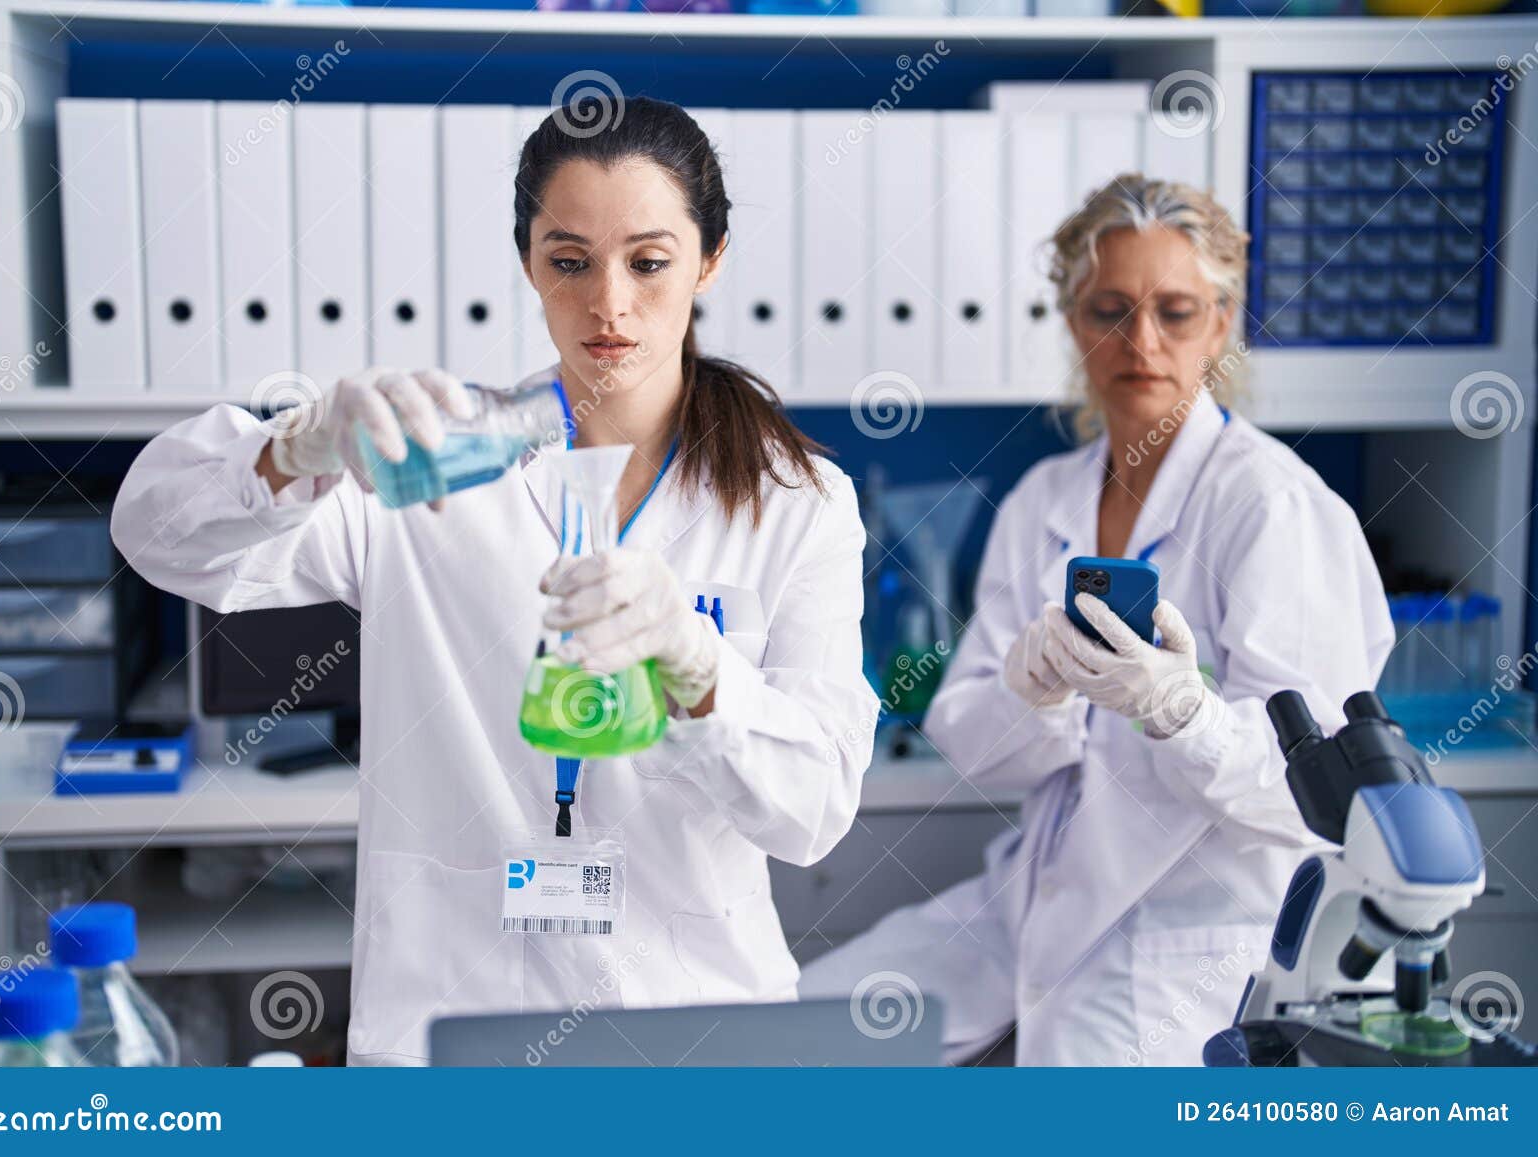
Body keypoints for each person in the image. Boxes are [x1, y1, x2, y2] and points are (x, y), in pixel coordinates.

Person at [112, 97, 877, 1065]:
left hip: (693, 1027)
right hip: (446, 1027)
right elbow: (160, 535)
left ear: (708, 260)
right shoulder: (431, 460)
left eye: (648, 261)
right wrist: (295, 445)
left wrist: (697, 661)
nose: (608, 302)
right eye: (569, 260)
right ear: (527, 261)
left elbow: (810, 811)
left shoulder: (796, 498)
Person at [799, 174, 1394, 1066]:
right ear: (1074, 324)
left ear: (1221, 327)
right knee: (787, 1034)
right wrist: (1032, 696)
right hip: (1030, 909)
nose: (1141, 341)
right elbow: (965, 735)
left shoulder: (1274, 508)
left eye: (1177, 312)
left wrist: (1183, 714)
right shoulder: (1045, 497)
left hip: (1191, 947)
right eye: (1109, 309)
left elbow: (1308, 803)